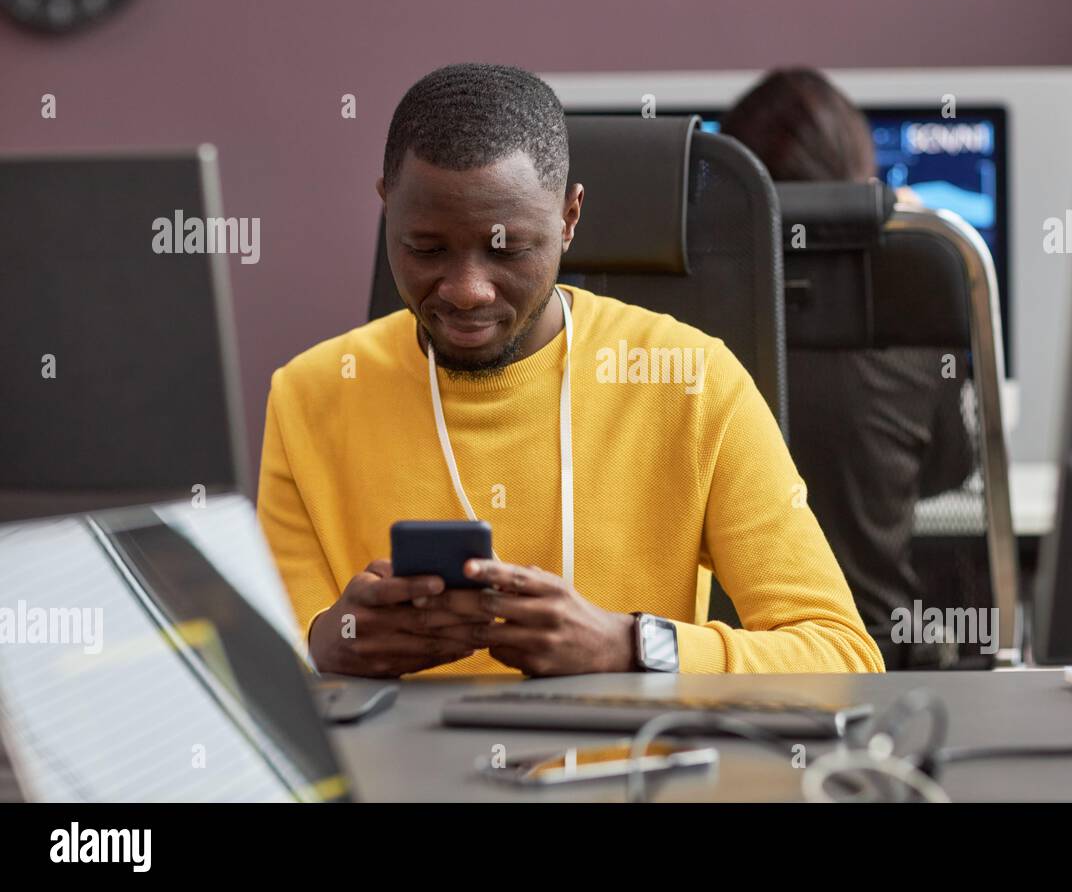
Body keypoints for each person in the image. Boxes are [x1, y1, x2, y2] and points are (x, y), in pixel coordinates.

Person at [257, 63, 884, 678]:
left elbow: (842, 657)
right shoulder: (308, 394)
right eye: (425, 248)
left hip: (625, 778)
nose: (467, 290)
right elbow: (256, 673)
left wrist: (632, 647)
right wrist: (322, 649)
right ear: (385, 209)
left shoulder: (693, 381)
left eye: (508, 248)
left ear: (568, 218)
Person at [721, 68, 974, 669]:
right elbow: (948, 471)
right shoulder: (914, 334)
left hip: (729, 659)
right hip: (872, 657)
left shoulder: (692, 335)